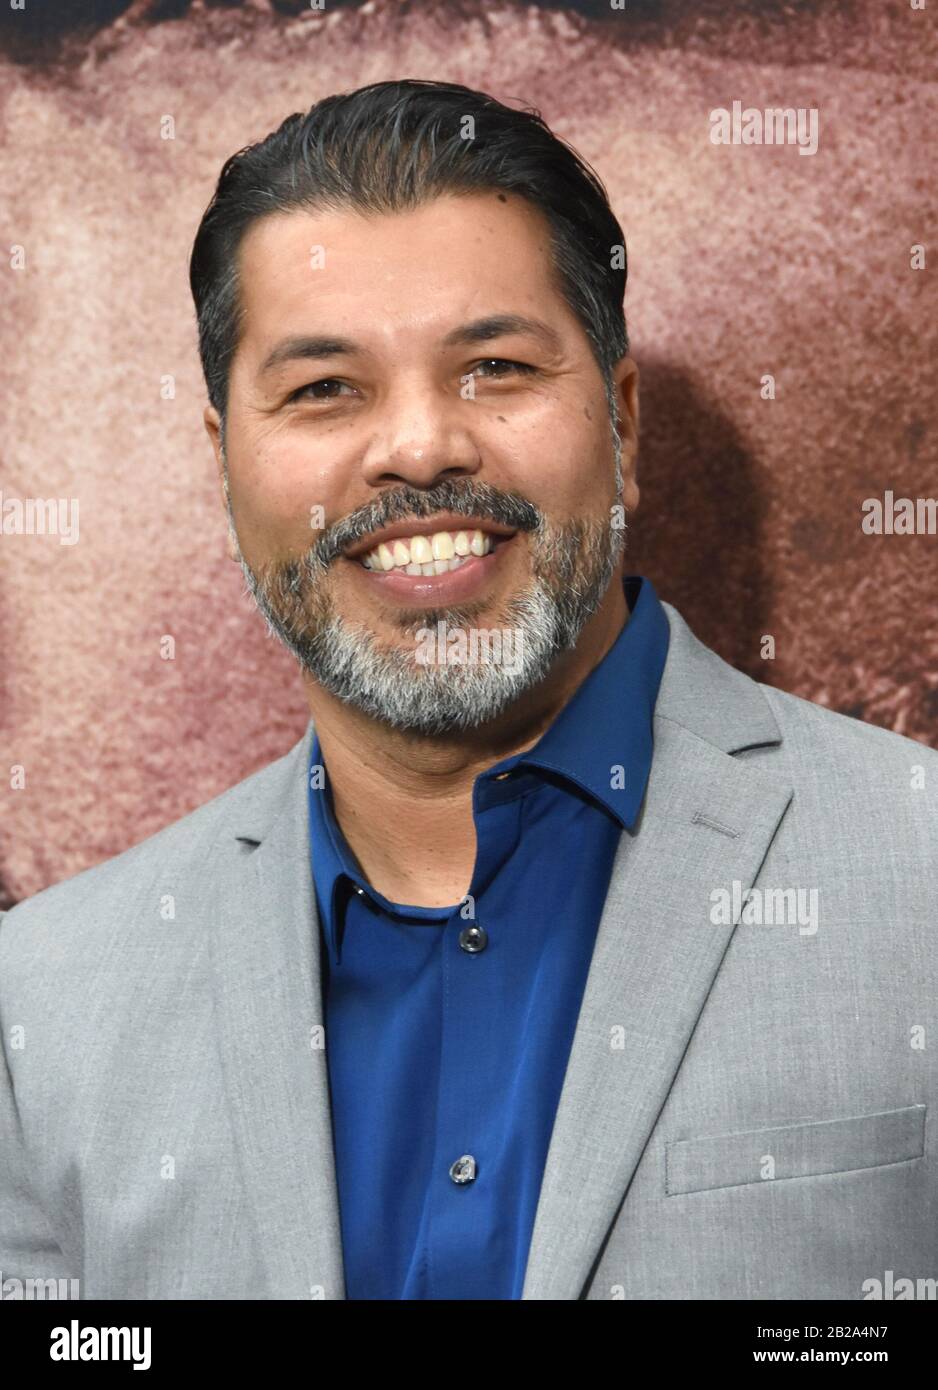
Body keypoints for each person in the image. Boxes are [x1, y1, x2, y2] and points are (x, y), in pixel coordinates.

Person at [1, 80, 934, 1302]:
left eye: (493, 366)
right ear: (222, 459)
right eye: (323, 388)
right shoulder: (45, 1001)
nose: (420, 445)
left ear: (623, 420)